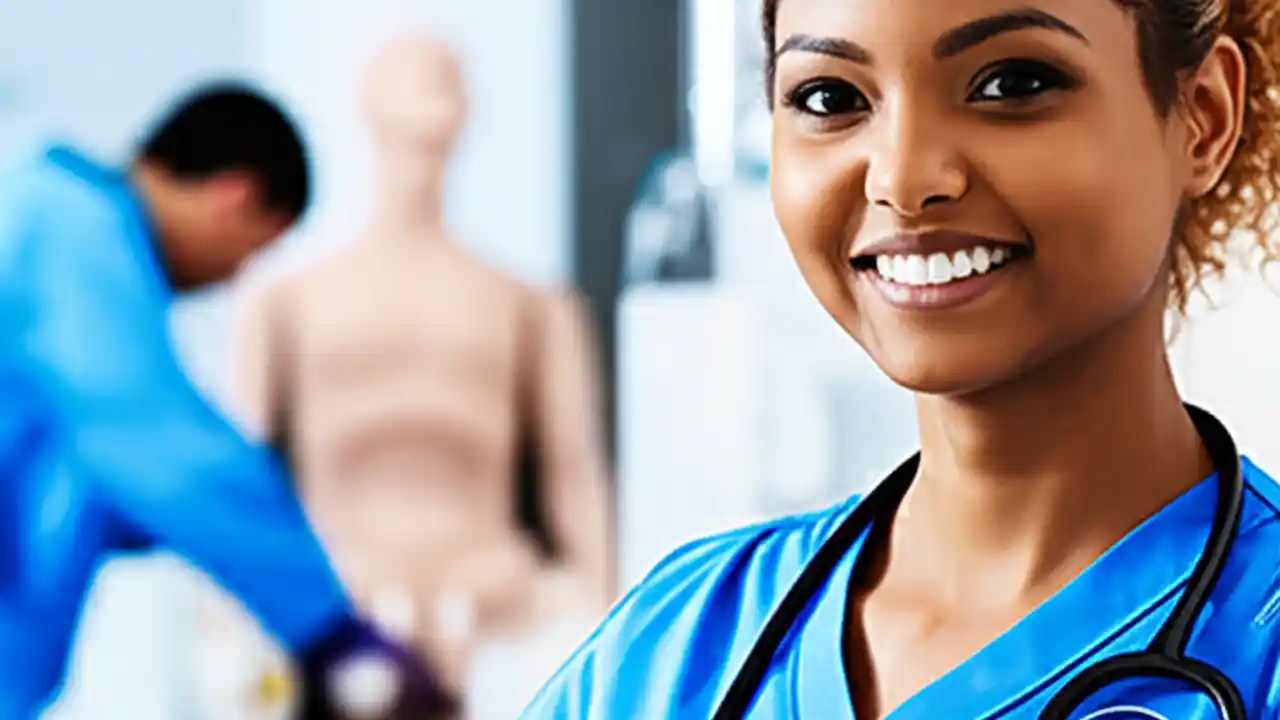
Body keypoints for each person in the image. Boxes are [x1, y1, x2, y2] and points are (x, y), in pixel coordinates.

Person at [522, 0, 1280, 717]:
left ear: (1203, 120)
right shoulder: (674, 649)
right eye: (829, 98)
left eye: (1012, 83)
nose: (905, 180)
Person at [0, 83, 454, 718]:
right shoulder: (63, 225)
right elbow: (157, 446)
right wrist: (332, 634)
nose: (235, 277)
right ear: (234, 199)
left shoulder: (63, 232)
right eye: (254, 252)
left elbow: (74, 478)